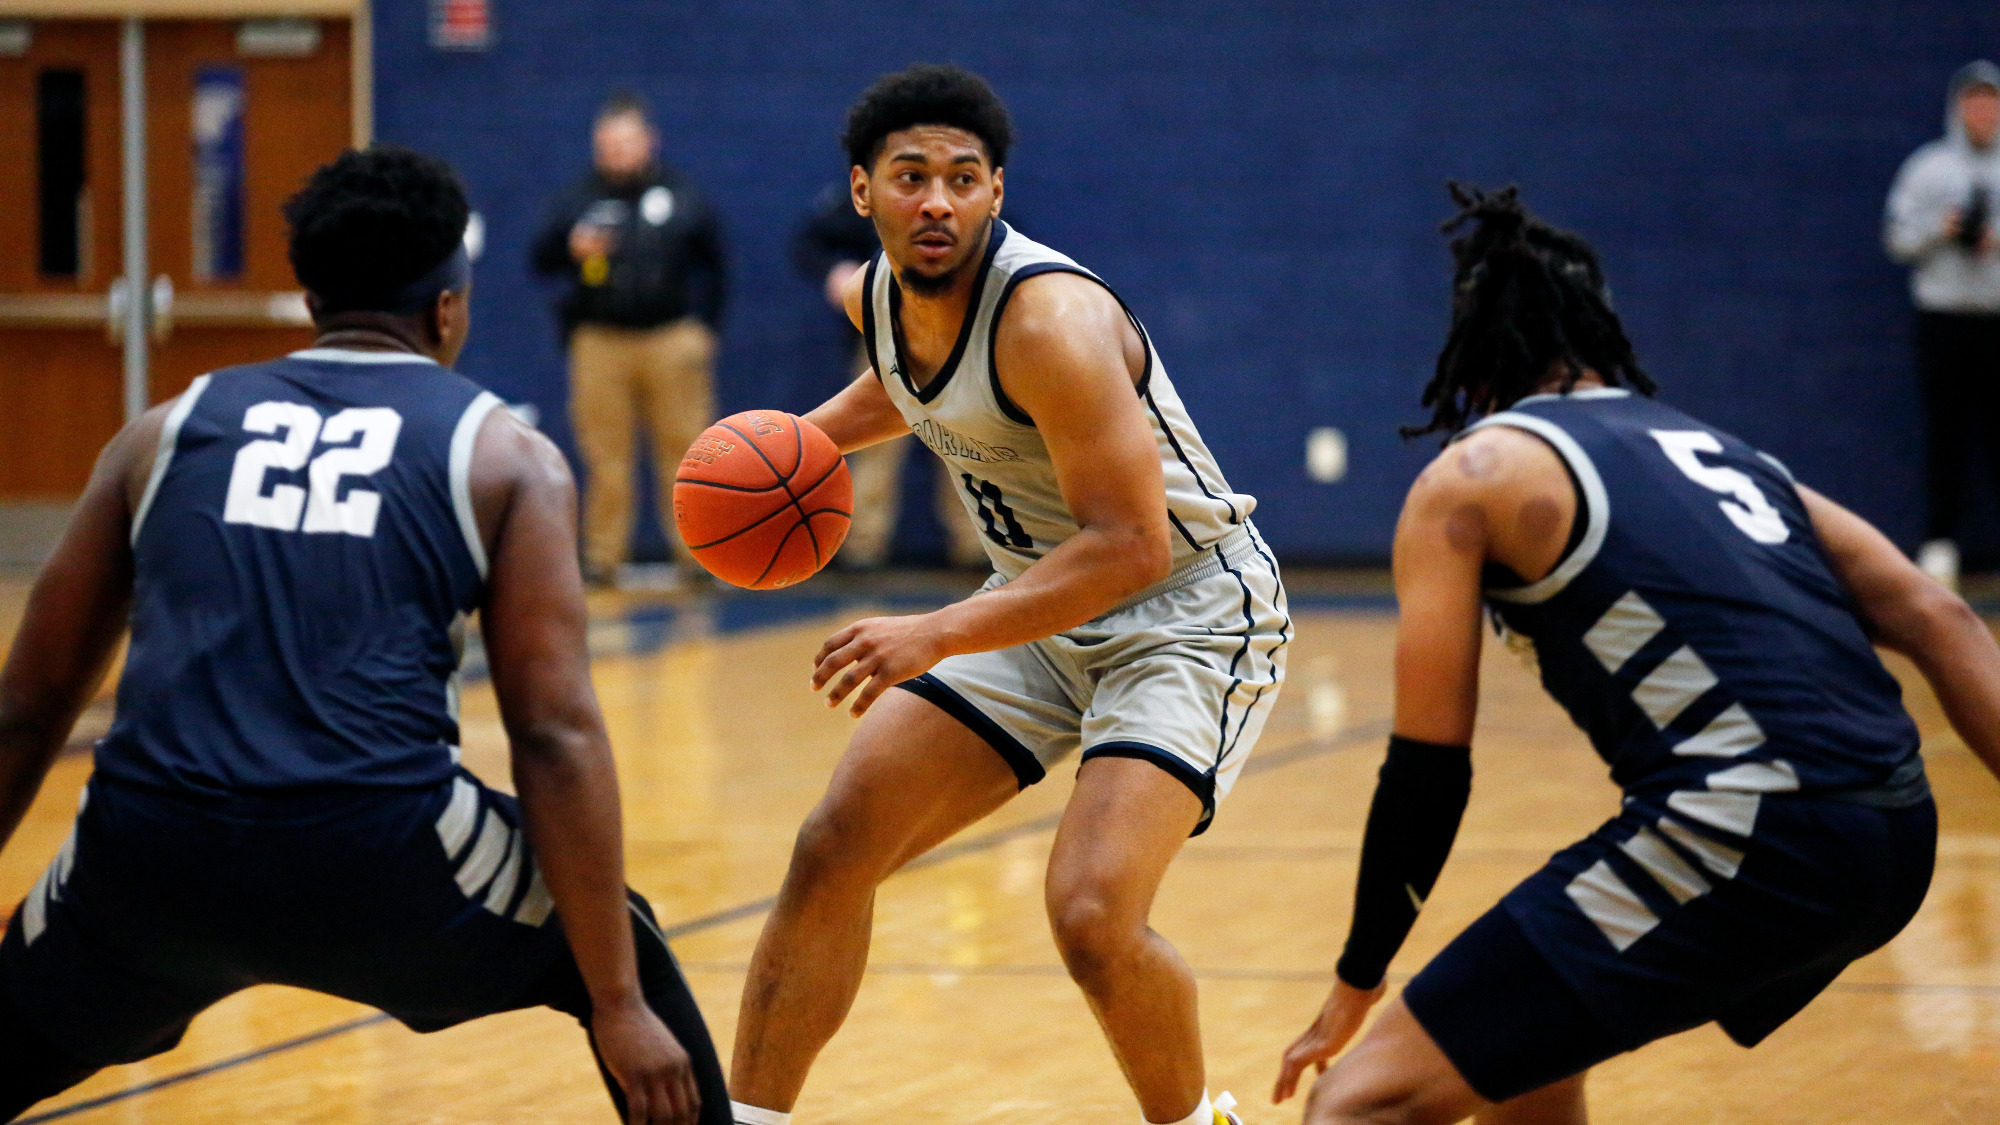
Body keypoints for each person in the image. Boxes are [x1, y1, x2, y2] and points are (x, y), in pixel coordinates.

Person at [0, 146, 729, 1125]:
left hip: (153, 855)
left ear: (312, 300)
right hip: (377, 858)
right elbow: (553, 733)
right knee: (623, 942)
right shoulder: (502, 454)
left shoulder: (162, 432)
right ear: (447, 309)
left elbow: (28, 704)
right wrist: (619, 1004)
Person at [1272, 185, 2000, 1125]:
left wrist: (1357, 977)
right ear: (1597, 332)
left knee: (1358, 1104)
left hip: (1753, 823)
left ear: (1472, 352)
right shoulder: (1721, 450)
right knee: (1527, 1055)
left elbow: (1428, 769)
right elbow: (1941, 615)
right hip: (1898, 825)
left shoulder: (1476, 474)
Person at [728, 66, 1287, 1125]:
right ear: (863, 192)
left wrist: (935, 632)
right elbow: (908, 386)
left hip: (1182, 616)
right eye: (910, 177)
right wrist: (792, 450)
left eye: (962, 178)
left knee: (1091, 914)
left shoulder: (1050, 322)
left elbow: (1131, 547)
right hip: (1037, 603)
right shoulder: (882, 297)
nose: (936, 201)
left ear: (996, 190)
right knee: (835, 844)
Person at [532, 92, 727, 587]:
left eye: (627, 141)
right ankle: (602, 559)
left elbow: (716, 264)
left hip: (670, 338)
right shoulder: (577, 199)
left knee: (685, 453)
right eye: (608, 144)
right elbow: (540, 260)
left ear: (649, 141)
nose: (617, 152)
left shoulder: (681, 194)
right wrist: (569, 249)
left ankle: (696, 558)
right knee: (606, 459)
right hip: (601, 340)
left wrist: (705, 328)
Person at [792, 181, 988, 571]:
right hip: (885, 334)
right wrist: (835, 270)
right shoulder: (872, 196)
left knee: (965, 440)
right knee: (873, 443)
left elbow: (1001, 247)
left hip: (953, 336)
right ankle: (863, 548)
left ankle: (977, 545)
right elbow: (810, 241)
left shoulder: (965, 196)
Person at [1885, 60, 2000, 591]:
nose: (1983, 112)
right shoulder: (1928, 167)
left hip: (1996, 319)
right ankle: (1940, 543)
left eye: (1991, 102)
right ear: (1958, 108)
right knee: (1946, 434)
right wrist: (1941, 229)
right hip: (1944, 320)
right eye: (1974, 102)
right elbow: (1897, 239)